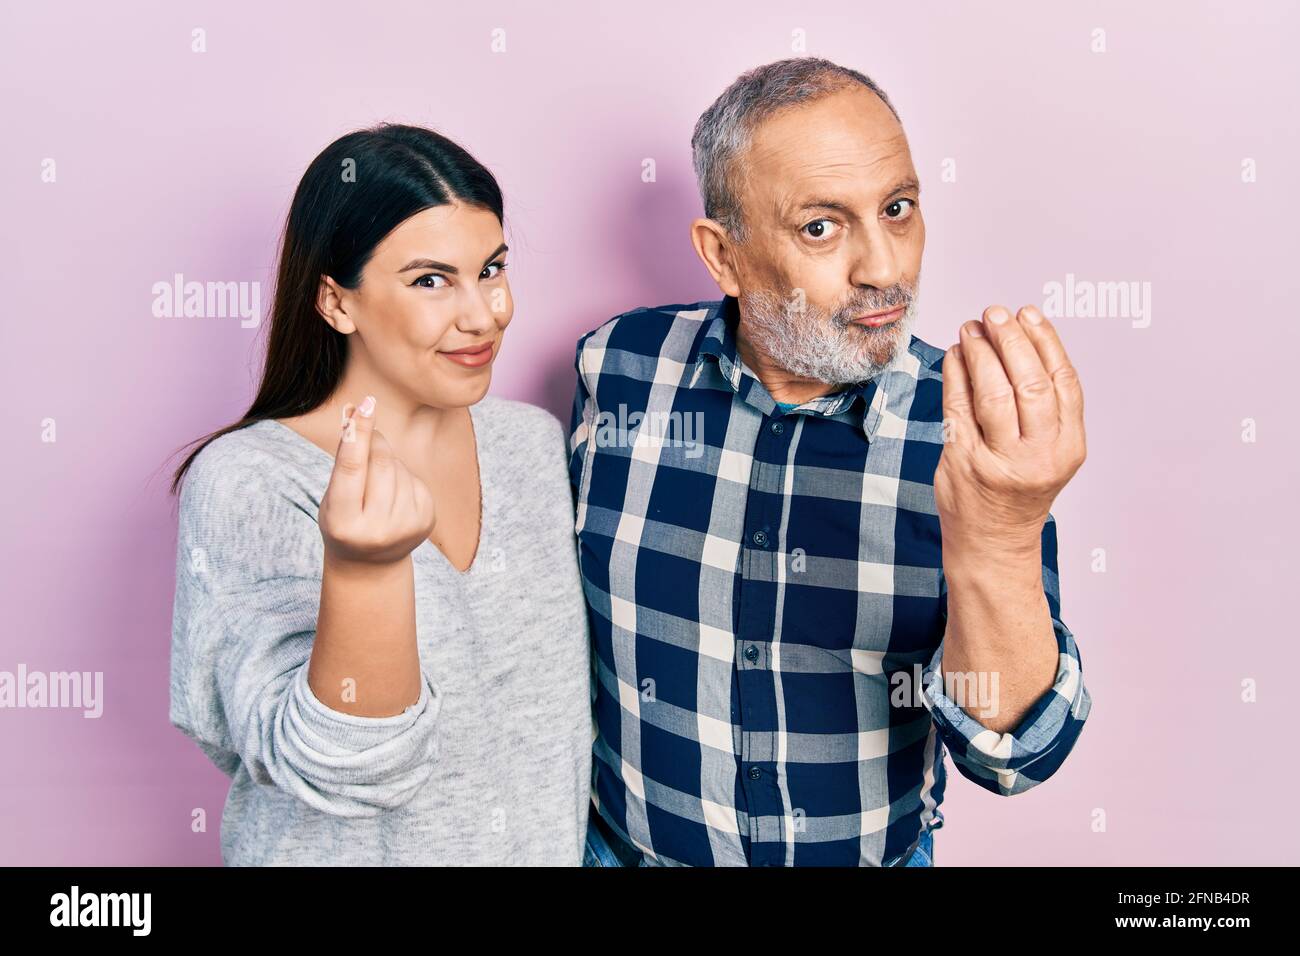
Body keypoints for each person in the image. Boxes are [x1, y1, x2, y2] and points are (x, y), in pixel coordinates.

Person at [569, 57, 1092, 867]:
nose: (884, 270)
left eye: (898, 208)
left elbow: (1016, 756)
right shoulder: (618, 370)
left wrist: (1001, 538)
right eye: (822, 226)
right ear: (723, 256)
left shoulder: (967, 424)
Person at [168, 123, 591, 865]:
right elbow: (343, 771)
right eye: (431, 280)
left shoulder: (530, 446)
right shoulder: (251, 482)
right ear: (336, 303)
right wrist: (367, 570)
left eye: (491, 269)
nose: (483, 314)